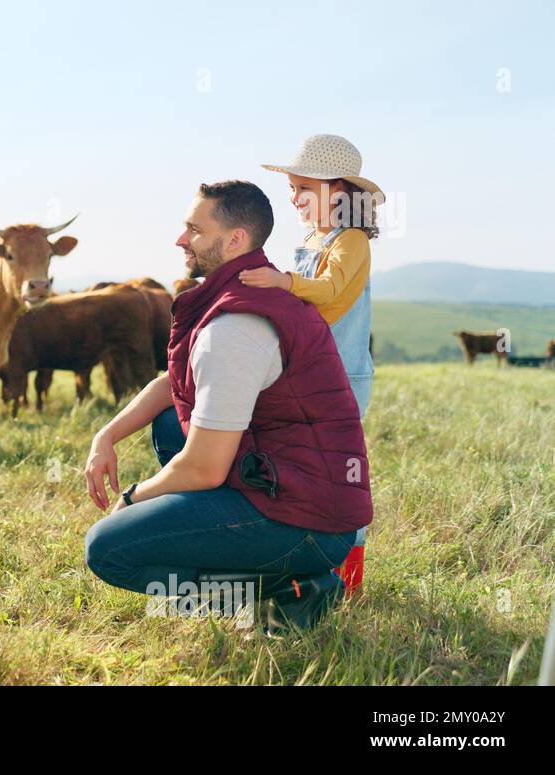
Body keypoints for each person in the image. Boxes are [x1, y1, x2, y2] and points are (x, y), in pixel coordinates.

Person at [82, 180, 373, 633]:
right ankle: (262, 566)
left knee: (108, 548)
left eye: (194, 230)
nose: (181, 239)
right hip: (297, 482)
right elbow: (175, 383)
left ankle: (287, 591)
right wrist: (107, 436)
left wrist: (132, 498)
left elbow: (204, 469)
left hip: (310, 521)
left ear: (235, 239)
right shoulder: (240, 292)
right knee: (168, 424)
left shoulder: (237, 326)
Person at [240, 134, 384, 591]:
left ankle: (348, 580)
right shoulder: (313, 239)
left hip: (342, 375)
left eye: (303, 188)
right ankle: (306, 570)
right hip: (311, 373)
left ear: (336, 191)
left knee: (342, 473)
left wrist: (282, 284)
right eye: (293, 188)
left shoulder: (352, 240)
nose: (294, 198)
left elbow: (329, 295)